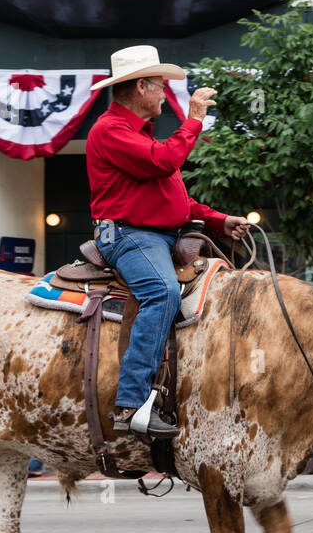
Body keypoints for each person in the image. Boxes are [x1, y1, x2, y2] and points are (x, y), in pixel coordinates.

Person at [86, 45, 249, 438]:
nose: (164, 93)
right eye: (160, 86)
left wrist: (218, 220)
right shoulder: (110, 131)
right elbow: (165, 162)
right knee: (162, 293)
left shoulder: (141, 137)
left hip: (152, 234)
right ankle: (130, 407)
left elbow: (176, 199)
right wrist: (193, 120)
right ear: (141, 87)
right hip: (126, 235)